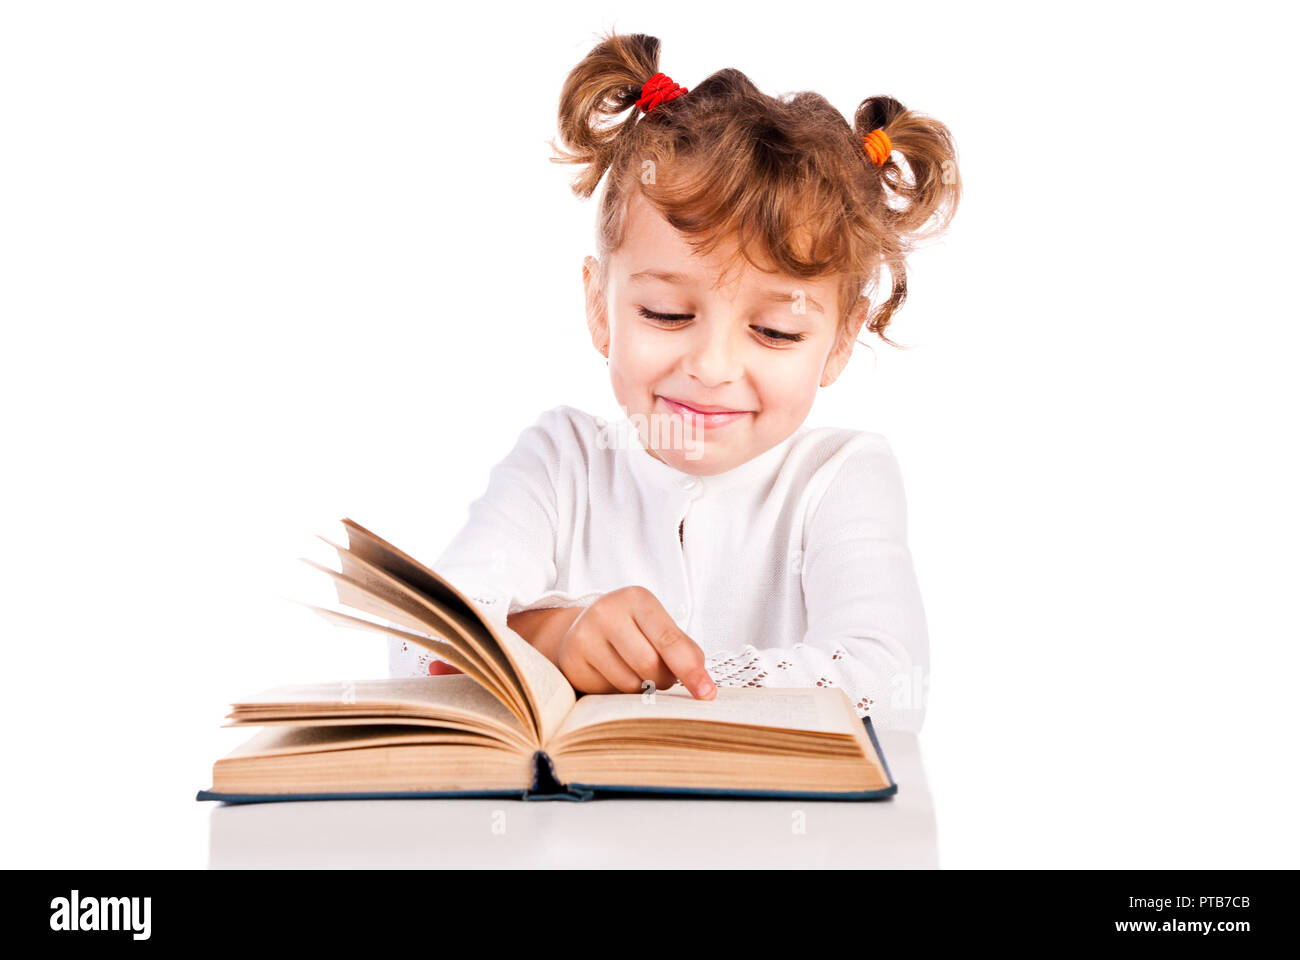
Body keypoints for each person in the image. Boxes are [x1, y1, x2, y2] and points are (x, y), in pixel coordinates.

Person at [390, 30, 960, 734]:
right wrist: (557, 635)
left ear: (840, 341)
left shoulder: (841, 478)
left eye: (776, 331)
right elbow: (419, 647)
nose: (712, 367)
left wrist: (663, 677)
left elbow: (887, 681)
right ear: (600, 308)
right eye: (666, 313)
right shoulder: (562, 460)